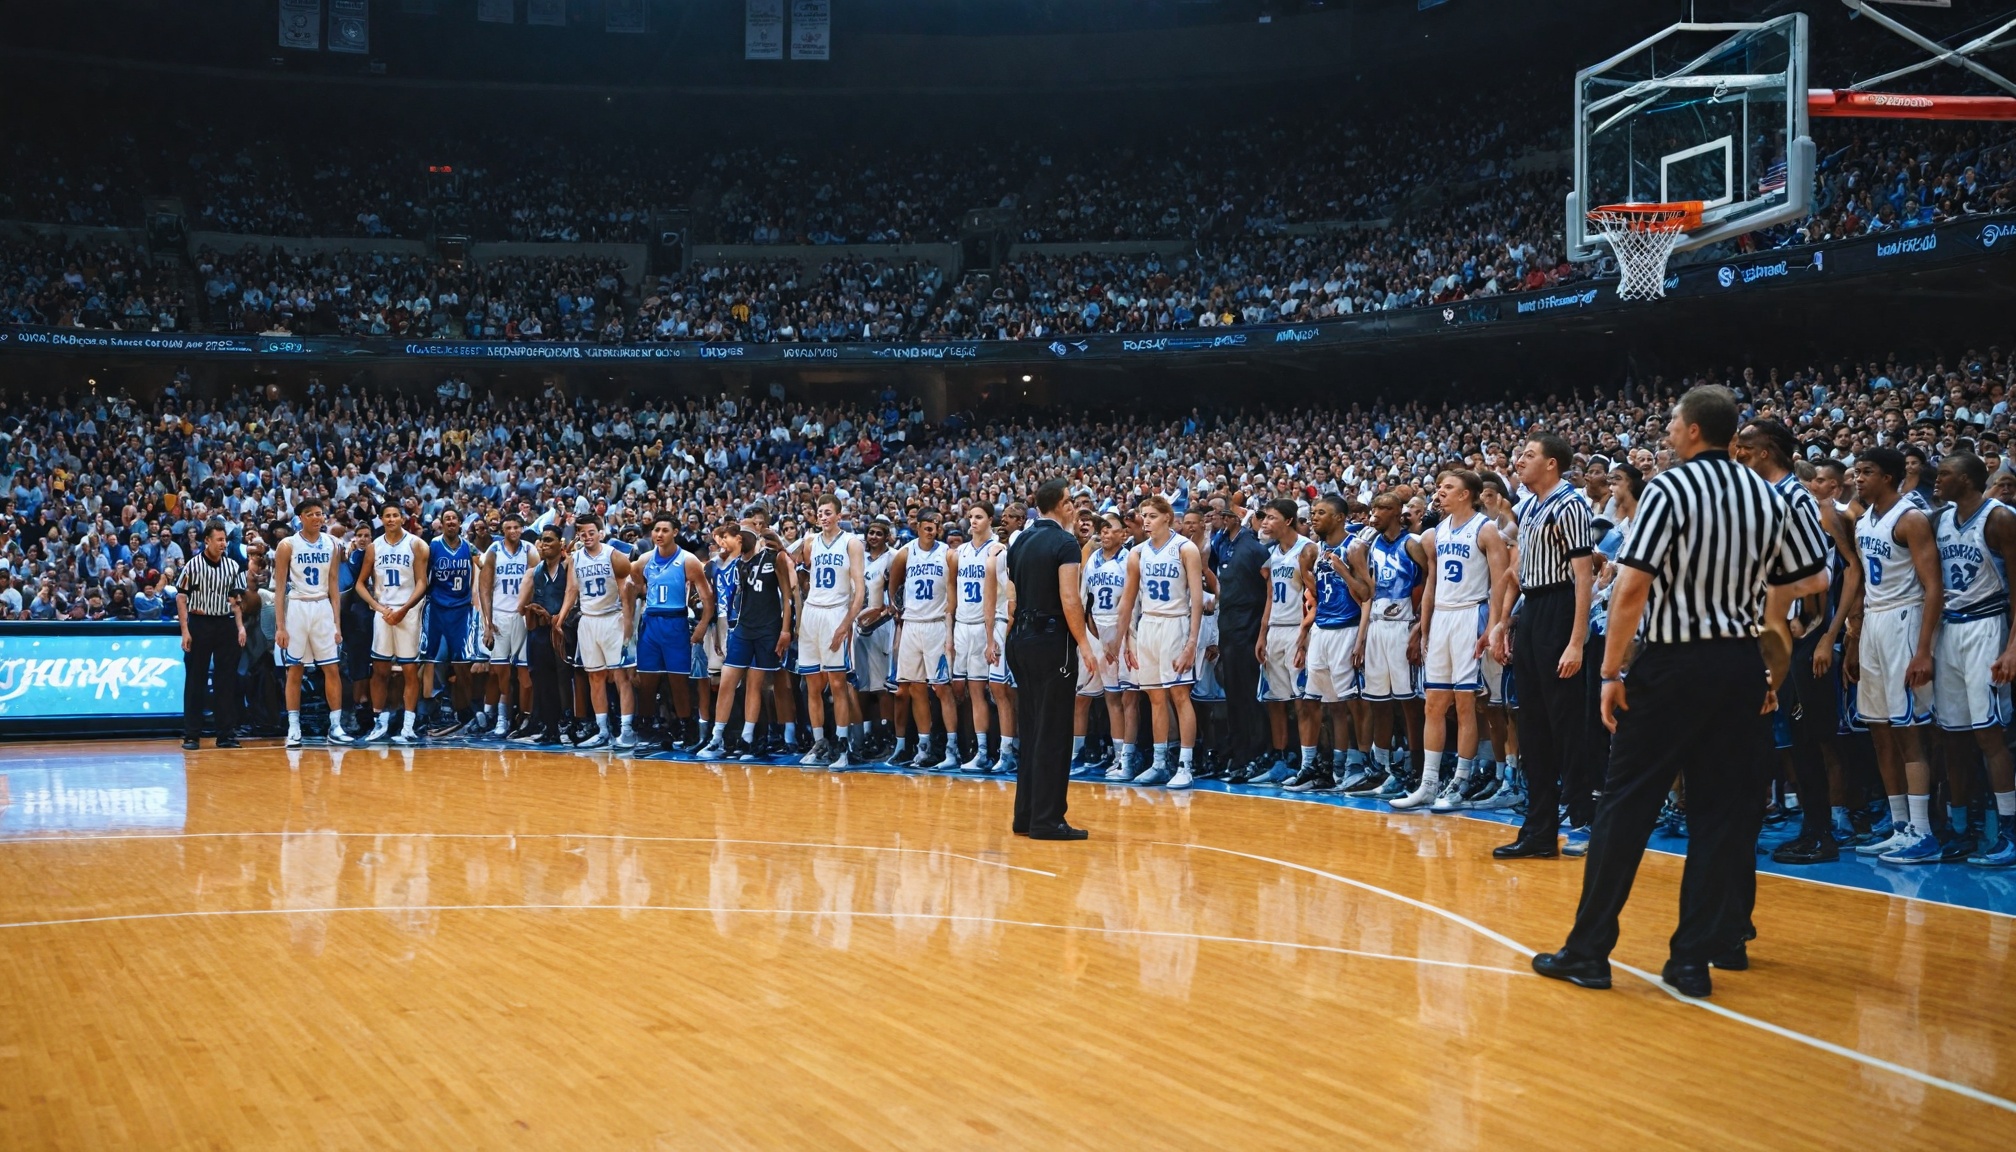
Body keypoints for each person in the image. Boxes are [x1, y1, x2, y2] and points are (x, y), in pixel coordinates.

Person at [1533, 386, 1828, 999]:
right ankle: (1691, 960)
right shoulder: (1767, 494)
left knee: (1625, 806)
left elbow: (1633, 587)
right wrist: (1753, 596)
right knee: (1722, 814)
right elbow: (1813, 576)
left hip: (1672, 666)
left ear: (1693, 431)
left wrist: (1611, 673)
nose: (1668, 429)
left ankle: (1589, 952)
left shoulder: (1670, 488)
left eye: (1673, 421)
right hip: (1741, 666)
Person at [1492, 433, 1596, 860]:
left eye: (1529, 455)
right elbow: (1520, 571)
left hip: (1561, 607)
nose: (1520, 460)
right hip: (1534, 609)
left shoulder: (1570, 504)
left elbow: (1584, 577)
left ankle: (1584, 820)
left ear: (1551, 464)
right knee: (1532, 723)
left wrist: (1576, 641)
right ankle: (1538, 828)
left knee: (1567, 723)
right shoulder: (1530, 505)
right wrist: (1503, 621)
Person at [1845, 447, 1946, 865]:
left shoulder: (1911, 518)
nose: (1858, 479)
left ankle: (1923, 832)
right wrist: (1853, 640)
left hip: (1905, 622)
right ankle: (1900, 824)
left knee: (1908, 731)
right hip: (1872, 624)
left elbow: (1934, 587)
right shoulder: (1865, 520)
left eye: (1866, 472)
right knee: (1879, 729)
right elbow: (1865, 585)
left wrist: (1923, 650)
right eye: (1856, 471)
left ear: (1888, 477)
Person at [1398, 469, 1510, 812]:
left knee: (1465, 706)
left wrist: (1493, 627)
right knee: (1434, 704)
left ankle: (1460, 781)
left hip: (1469, 614)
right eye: (1440, 486)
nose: (1440, 491)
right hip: (1442, 618)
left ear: (1466, 494)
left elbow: (1500, 582)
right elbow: (1431, 583)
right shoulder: (1434, 534)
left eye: (1448, 487)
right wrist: (1425, 624)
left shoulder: (1485, 529)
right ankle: (1428, 784)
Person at [1926, 453, 2016, 867]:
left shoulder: (1999, 519)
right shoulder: (1938, 519)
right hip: (1949, 630)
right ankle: (1960, 830)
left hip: (1987, 627)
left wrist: (2012, 647)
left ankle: (2009, 833)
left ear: (1965, 479)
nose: (1937, 479)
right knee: (1953, 736)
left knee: (1989, 735)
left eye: (1944, 473)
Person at [1007, 477, 1104, 840]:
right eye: (1070, 501)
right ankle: (1048, 820)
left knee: (1031, 728)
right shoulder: (1064, 543)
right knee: (1054, 731)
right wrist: (1084, 643)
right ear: (1061, 505)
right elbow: (1069, 599)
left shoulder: (1019, 542)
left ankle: (1026, 815)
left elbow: (1012, 598)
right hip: (1052, 642)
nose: (1073, 507)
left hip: (1021, 639)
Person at [1113, 494, 1205, 788]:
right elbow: (1127, 600)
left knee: (1179, 694)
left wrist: (1192, 642)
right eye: (1144, 516)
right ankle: (1159, 762)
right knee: (1154, 697)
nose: (1146, 521)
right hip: (1148, 625)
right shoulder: (1137, 553)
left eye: (1152, 515)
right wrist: (1123, 640)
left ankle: (1185, 765)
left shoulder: (1185, 549)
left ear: (1168, 517)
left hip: (1176, 623)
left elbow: (1197, 599)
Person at [1346, 494, 1427, 799]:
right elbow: (1366, 591)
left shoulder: (1412, 544)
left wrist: (1421, 623)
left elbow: (1430, 579)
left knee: (1410, 704)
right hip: (1377, 625)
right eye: (1373, 509)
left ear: (1396, 513)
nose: (1374, 514)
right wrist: (1351, 568)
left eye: (1382, 509)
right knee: (1378, 702)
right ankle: (1382, 769)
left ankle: (1416, 769)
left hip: (1403, 626)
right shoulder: (1371, 547)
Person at [1288, 495, 1367, 792]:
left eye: (1321, 513)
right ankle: (1331, 769)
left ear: (1339, 518)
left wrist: (1343, 570)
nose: (1314, 518)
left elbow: (1366, 592)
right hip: (1322, 629)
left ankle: (1357, 765)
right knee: (1325, 703)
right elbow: (1319, 595)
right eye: (1313, 513)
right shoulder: (1317, 549)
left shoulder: (1355, 547)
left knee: (1351, 704)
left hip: (1346, 630)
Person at [272, 498, 354, 747]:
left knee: (332, 668)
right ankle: (294, 728)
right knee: (294, 670)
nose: (318, 518)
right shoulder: (287, 545)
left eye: (320, 513)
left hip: (322, 607)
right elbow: (279, 589)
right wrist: (281, 626)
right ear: (301, 518)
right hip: (297, 606)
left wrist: (337, 624)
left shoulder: (331, 544)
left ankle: (336, 726)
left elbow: (333, 585)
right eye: (312, 514)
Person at [631, 511, 709, 753]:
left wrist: (703, 626)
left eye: (665, 530)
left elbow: (707, 596)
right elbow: (635, 582)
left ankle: (687, 728)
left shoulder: (688, 560)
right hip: (651, 622)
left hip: (676, 622)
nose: (659, 534)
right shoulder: (644, 560)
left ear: (675, 532)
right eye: (656, 530)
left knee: (679, 682)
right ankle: (646, 728)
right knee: (647, 681)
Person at [1251, 498, 1317, 785]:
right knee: (1275, 700)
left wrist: (1304, 634)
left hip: (1297, 630)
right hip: (1275, 629)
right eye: (1264, 517)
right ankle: (1281, 761)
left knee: (1303, 700)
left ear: (1288, 520)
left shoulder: (1308, 550)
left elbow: (1316, 596)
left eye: (1271, 517)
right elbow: (1269, 597)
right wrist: (1262, 634)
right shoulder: (1273, 554)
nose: (1265, 522)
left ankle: (1309, 763)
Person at [796, 495, 865, 767]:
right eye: (819, 513)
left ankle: (843, 746)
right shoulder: (810, 542)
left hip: (836, 613)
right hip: (812, 613)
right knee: (812, 684)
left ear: (839, 515)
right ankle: (819, 743)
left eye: (827, 512)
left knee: (838, 684)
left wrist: (847, 622)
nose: (822, 516)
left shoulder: (851, 543)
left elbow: (859, 588)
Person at [558, 512, 637, 750]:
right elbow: (572, 590)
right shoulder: (575, 559)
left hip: (613, 619)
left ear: (600, 533)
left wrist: (628, 622)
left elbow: (627, 589)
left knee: (621, 677)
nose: (587, 536)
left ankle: (627, 731)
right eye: (583, 533)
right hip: (588, 621)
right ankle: (603, 731)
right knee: (595, 677)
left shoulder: (614, 556)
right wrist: (560, 618)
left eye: (591, 532)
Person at [888, 509, 959, 768]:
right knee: (915, 687)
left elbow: (953, 594)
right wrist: (896, 608)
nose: (933, 530)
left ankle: (952, 749)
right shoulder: (905, 553)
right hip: (911, 626)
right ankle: (924, 746)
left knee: (941, 688)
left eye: (936, 526)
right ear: (918, 527)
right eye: (928, 526)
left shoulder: (948, 555)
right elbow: (893, 585)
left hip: (937, 625)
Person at [359, 503, 430, 745]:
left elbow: (422, 582)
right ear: (381, 519)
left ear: (402, 518)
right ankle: (380, 722)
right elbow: (360, 584)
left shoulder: (417, 544)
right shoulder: (373, 547)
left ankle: (408, 726)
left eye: (395, 515)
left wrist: (404, 609)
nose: (391, 519)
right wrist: (379, 608)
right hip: (384, 613)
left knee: (410, 671)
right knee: (380, 670)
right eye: (387, 516)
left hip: (407, 612)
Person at [1211, 497, 1272, 777]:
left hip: (1247, 629)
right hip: (1228, 628)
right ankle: (1236, 751)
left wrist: (1260, 630)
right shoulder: (1222, 543)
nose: (1219, 517)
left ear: (1237, 517)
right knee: (1233, 695)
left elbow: (1267, 590)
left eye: (1224, 513)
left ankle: (1251, 754)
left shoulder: (1252, 548)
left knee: (1247, 695)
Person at [177, 518, 246, 751]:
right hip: (200, 624)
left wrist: (240, 627)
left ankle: (226, 734)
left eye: (225, 539)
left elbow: (237, 600)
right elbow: (181, 597)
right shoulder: (192, 565)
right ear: (207, 541)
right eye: (219, 540)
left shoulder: (234, 567)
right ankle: (191, 735)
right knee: (195, 680)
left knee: (226, 681)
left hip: (225, 624)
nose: (223, 544)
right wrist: (185, 630)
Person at [952, 504, 1007, 771]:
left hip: (992, 624)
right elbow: (952, 593)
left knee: (1000, 691)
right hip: (963, 625)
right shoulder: (959, 553)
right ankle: (981, 751)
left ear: (990, 520)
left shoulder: (999, 550)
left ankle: (1008, 749)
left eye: (978, 517)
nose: (973, 521)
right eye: (970, 517)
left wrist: (991, 635)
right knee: (973, 691)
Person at [420, 507, 480, 737]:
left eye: (454, 518)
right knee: (433, 661)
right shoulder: (433, 546)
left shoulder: (469, 547)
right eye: (447, 519)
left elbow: (485, 565)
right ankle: (432, 712)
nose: (451, 522)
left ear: (460, 523)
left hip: (462, 611)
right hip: (436, 609)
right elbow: (421, 574)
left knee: (464, 664)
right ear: (442, 524)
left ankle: (465, 710)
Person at [479, 513, 536, 739]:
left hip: (522, 616)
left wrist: (531, 615)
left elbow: (535, 584)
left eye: (516, 527)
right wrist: (487, 623)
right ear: (503, 530)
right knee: (500, 670)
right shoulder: (493, 551)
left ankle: (525, 717)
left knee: (524, 672)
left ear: (522, 529)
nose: (512, 531)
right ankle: (503, 716)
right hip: (500, 616)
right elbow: (484, 589)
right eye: (508, 527)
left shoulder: (530, 551)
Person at [512, 526, 570, 746]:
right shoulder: (534, 572)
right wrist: (532, 610)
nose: (544, 544)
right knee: (541, 680)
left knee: (564, 681)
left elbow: (574, 597)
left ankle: (570, 723)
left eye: (549, 540)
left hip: (563, 630)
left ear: (560, 544)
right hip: (539, 631)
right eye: (542, 540)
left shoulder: (568, 566)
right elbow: (520, 606)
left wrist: (557, 617)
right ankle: (550, 727)